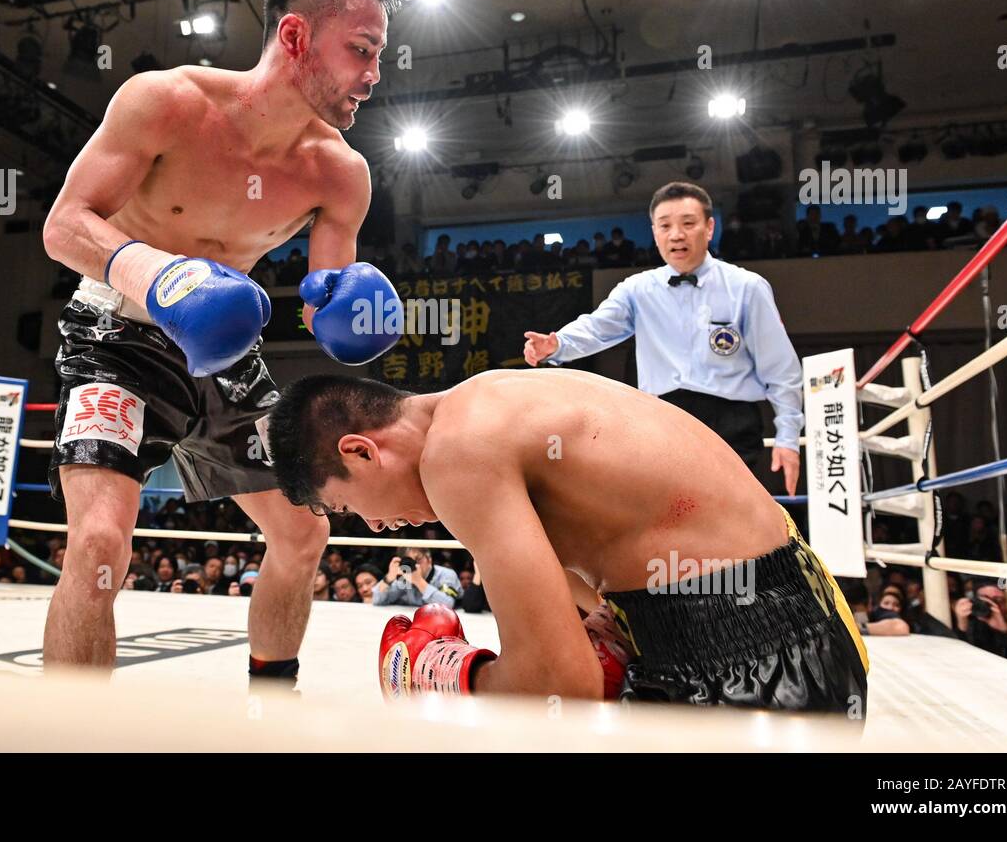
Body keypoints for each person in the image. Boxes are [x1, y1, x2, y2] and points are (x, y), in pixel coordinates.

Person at [39, 0, 402, 688]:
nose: (372, 75)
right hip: (115, 337)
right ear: (296, 37)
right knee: (101, 543)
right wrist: (157, 272)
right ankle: (68, 736)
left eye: (379, 55)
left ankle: (270, 706)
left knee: (302, 532)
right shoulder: (165, 102)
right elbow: (64, 225)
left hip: (225, 352)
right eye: (360, 50)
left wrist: (352, 306)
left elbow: (327, 288)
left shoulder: (342, 173)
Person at [263, 371, 867, 711]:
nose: (372, 526)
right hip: (800, 634)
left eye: (344, 506)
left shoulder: (458, 453)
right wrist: (606, 621)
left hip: (751, 673)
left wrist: (440, 670)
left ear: (362, 451)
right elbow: (599, 572)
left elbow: (559, 683)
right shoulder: (492, 400)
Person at [524, 182, 802, 494]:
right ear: (654, 232)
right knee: (667, 520)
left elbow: (781, 369)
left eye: (687, 223)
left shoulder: (747, 287)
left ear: (709, 228)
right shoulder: (637, 289)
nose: (676, 235)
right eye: (665, 225)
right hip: (662, 419)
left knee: (728, 526)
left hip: (731, 420)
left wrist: (788, 437)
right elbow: (597, 327)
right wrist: (558, 344)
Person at [371, 547, 460, 608]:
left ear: (429, 560)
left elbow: (448, 605)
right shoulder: (405, 578)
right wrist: (389, 577)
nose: (415, 565)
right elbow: (377, 600)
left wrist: (419, 581)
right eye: (410, 562)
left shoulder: (446, 574)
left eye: (418, 559)